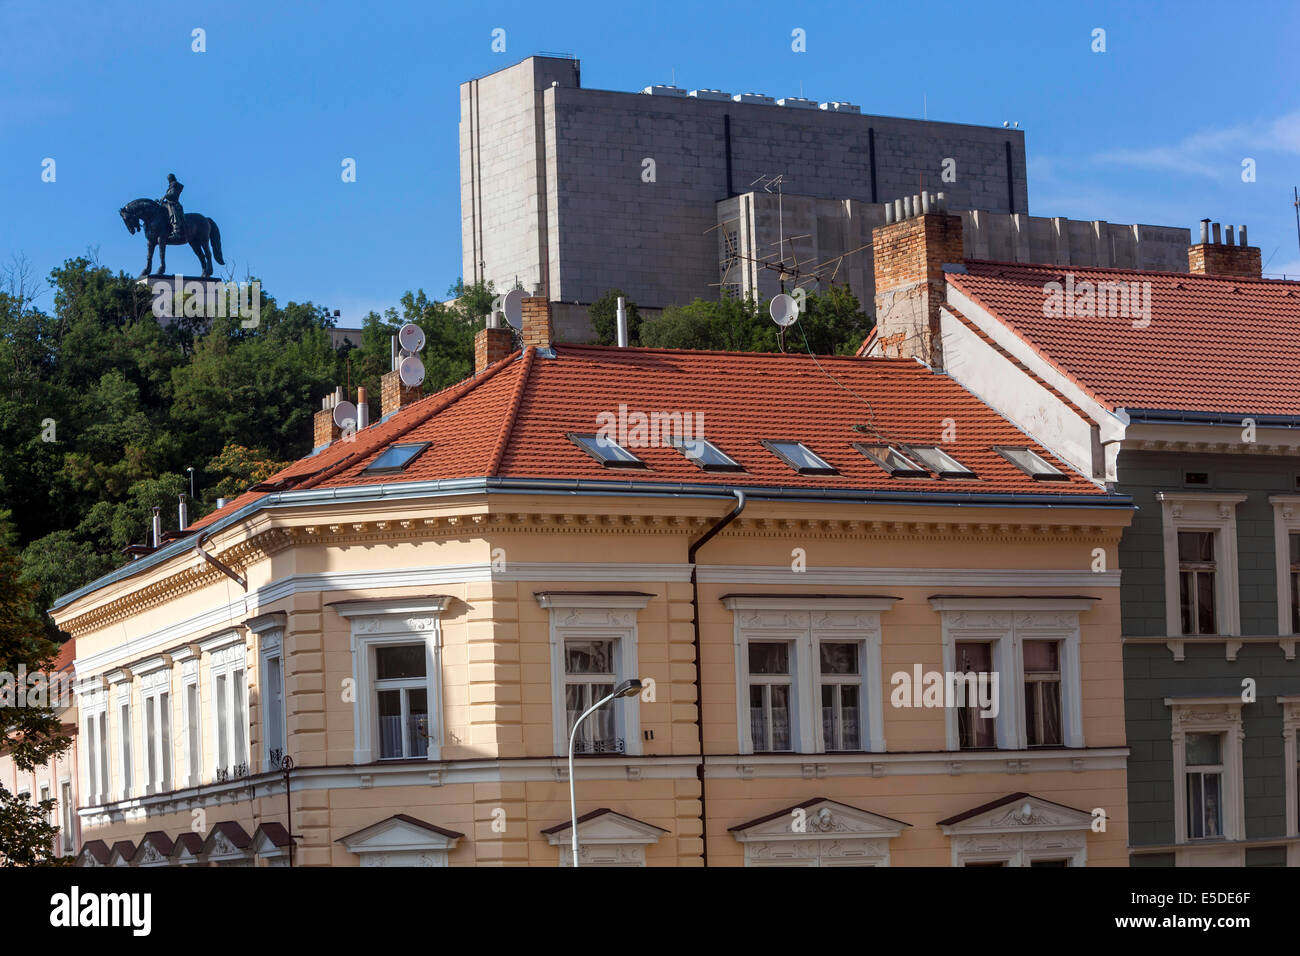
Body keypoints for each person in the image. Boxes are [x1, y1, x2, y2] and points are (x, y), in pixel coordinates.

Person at [160, 173, 184, 239]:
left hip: (174, 204)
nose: (168, 180)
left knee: (172, 213)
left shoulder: (175, 185)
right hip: (168, 203)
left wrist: (164, 196)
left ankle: (176, 230)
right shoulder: (171, 186)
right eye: (168, 179)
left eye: (169, 178)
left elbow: (173, 195)